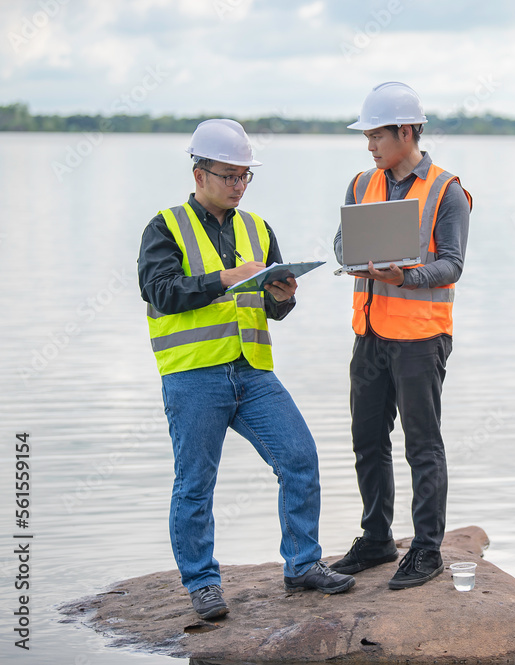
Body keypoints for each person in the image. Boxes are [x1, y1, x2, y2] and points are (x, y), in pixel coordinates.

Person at [138, 118, 354, 620]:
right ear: (199, 174)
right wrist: (221, 278)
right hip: (194, 375)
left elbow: (272, 307)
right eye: (229, 175)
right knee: (195, 483)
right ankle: (202, 583)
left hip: (253, 371)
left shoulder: (259, 228)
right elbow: (161, 292)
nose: (238, 185)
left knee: (300, 458)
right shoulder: (164, 227)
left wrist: (283, 296)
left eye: (244, 176)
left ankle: (302, 566)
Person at [330, 83, 472, 589]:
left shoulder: (446, 190)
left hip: (420, 338)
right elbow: (343, 238)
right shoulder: (361, 183)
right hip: (369, 334)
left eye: (376, 136)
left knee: (422, 446)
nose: (369, 146)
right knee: (367, 440)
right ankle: (376, 540)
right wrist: (352, 255)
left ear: (405, 132)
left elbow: (452, 264)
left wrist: (405, 276)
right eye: (366, 137)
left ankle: (428, 550)